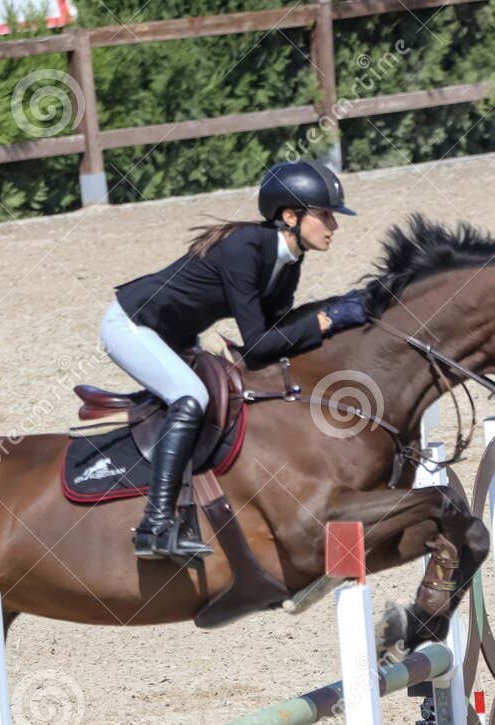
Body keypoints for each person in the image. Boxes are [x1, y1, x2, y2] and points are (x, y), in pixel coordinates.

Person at [103, 159, 368, 562]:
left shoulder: (289, 262)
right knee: (191, 397)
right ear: (290, 216)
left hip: (176, 337)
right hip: (134, 325)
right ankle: (154, 528)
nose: (334, 225)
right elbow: (259, 345)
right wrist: (327, 319)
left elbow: (279, 332)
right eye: (325, 214)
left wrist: (334, 311)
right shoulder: (243, 248)